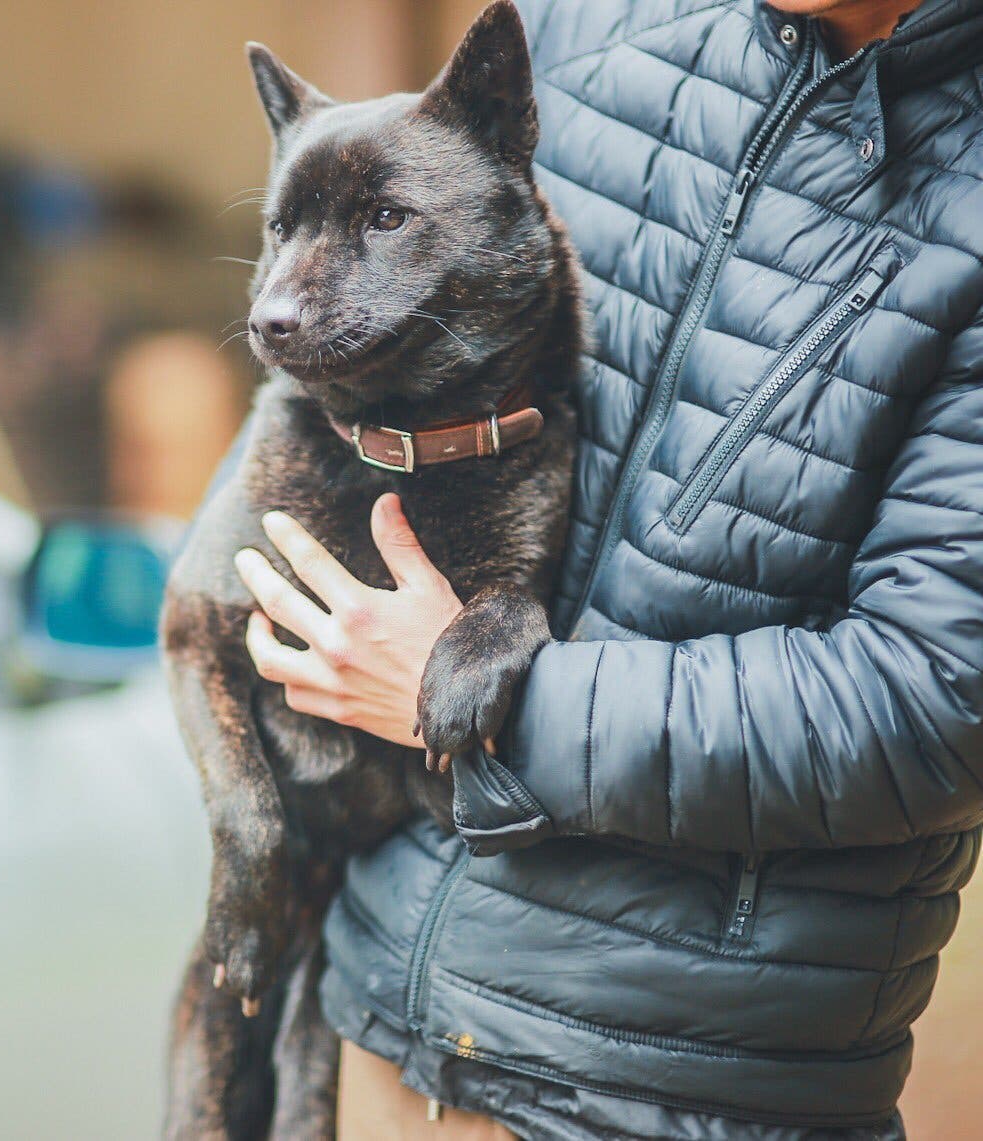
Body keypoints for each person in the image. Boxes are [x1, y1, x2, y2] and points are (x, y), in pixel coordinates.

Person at [230, 0, 983, 1136]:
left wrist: (482, 697)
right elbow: (358, 344)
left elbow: (935, 704)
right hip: (378, 1029)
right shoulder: (582, 23)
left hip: (679, 1089)